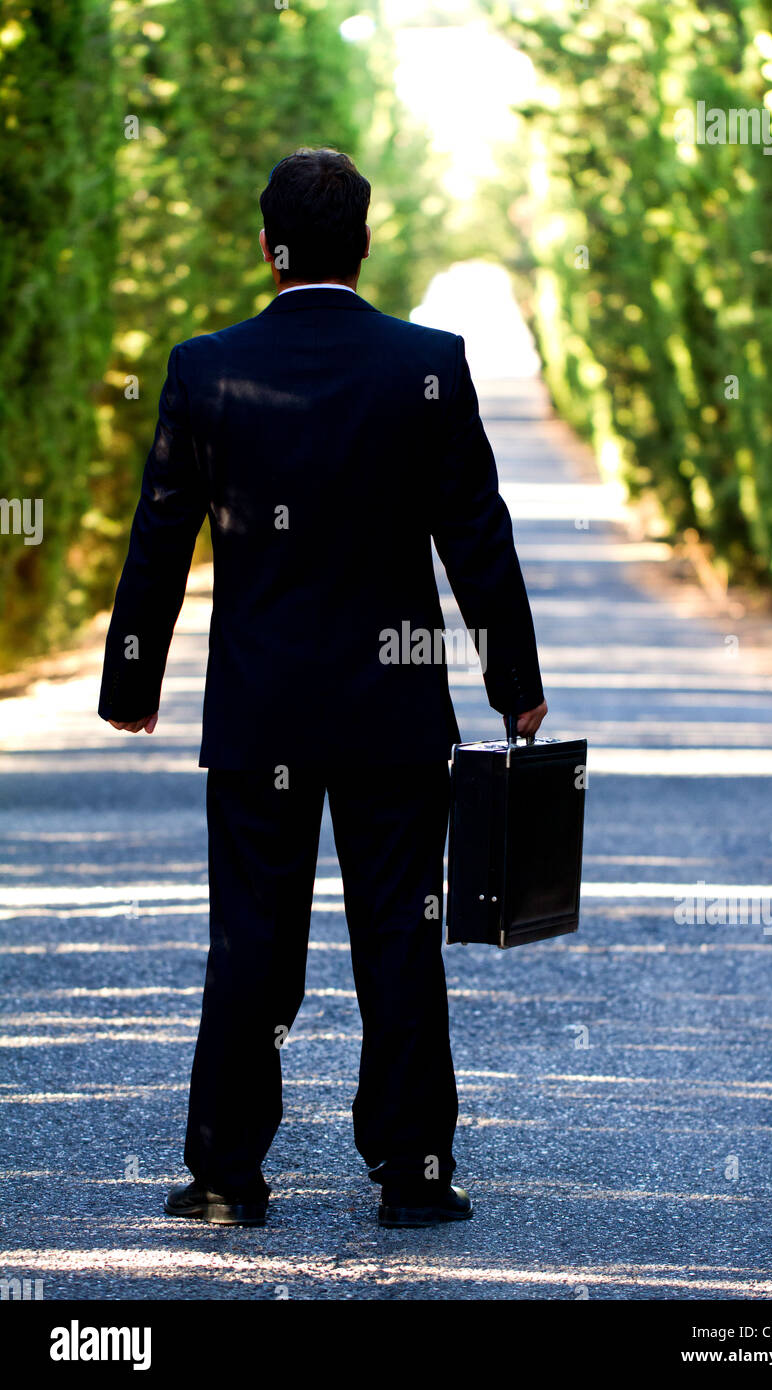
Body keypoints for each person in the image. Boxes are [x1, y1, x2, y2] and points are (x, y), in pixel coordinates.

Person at [98, 148, 547, 1229]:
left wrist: (131, 675)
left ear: (268, 246)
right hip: (394, 712)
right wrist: (514, 685)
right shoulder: (425, 365)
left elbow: (162, 532)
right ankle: (411, 1173)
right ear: (363, 243)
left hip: (260, 714)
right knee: (398, 928)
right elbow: (475, 539)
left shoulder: (207, 369)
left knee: (250, 936)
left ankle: (224, 1175)